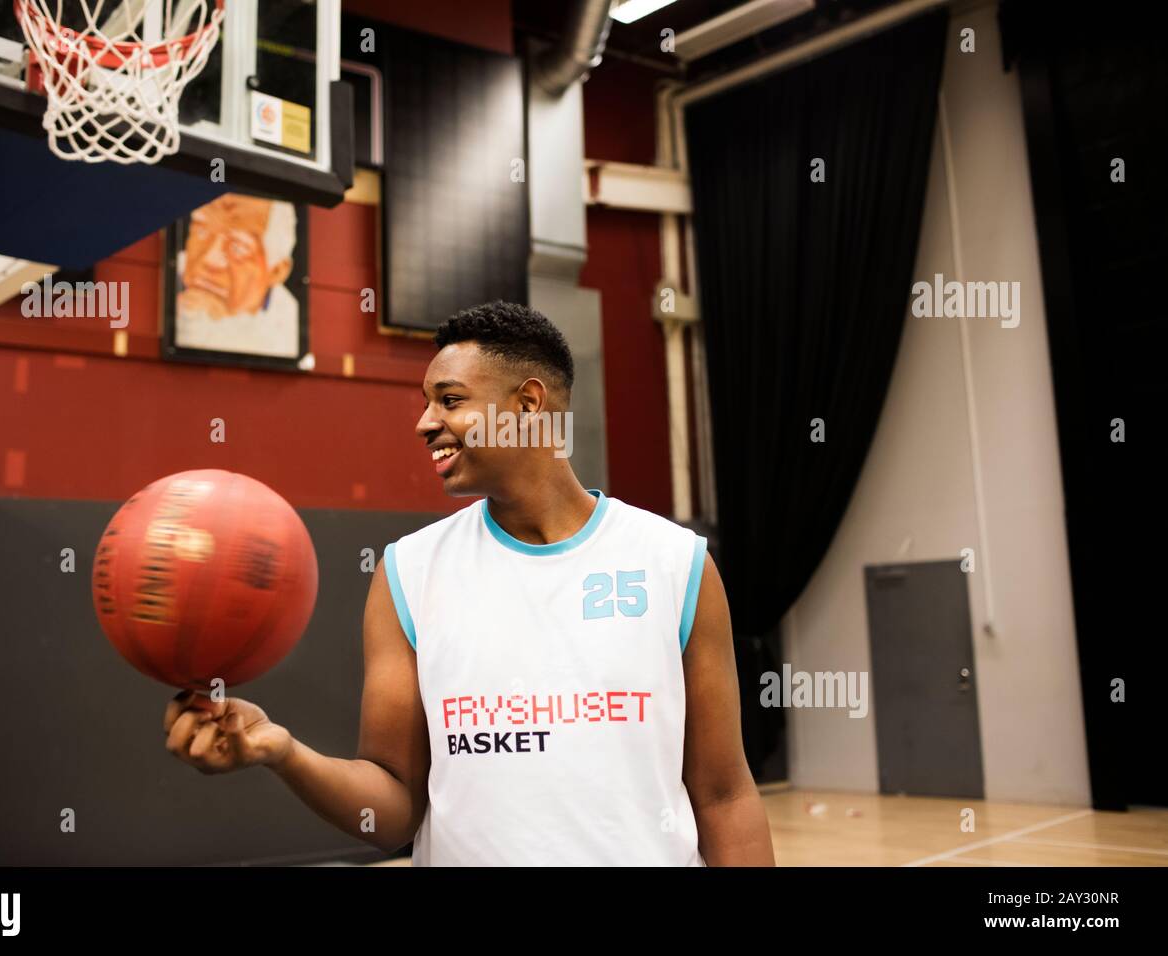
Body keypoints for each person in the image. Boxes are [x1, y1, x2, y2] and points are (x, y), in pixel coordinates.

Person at [163, 301, 776, 866]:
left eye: (450, 400)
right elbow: (393, 805)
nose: (425, 424)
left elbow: (723, 795)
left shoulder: (674, 562)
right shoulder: (409, 572)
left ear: (529, 406)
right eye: (427, 403)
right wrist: (283, 751)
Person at [175, 193, 299, 358]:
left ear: (277, 272)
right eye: (202, 232)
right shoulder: (162, 281)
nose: (210, 260)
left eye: (238, 248)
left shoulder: (288, 327)